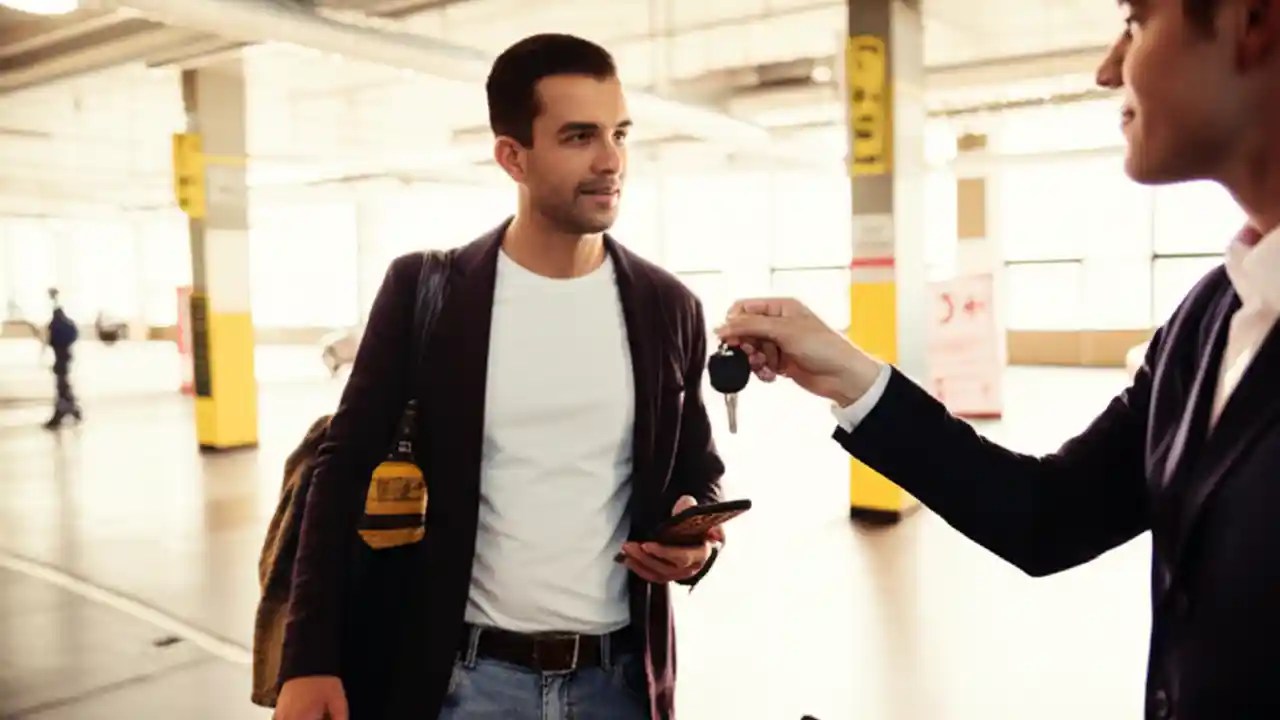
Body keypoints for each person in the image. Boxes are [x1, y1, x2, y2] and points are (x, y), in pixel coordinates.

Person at [717, 0, 1280, 718]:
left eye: (1135, 23)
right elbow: (1049, 515)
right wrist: (850, 374)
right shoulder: (1212, 317)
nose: (1109, 71)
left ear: (1251, 21)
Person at [275, 34, 726, 720]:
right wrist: (308, 661)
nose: (611, 161)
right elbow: (340, 474)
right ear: (512, 156)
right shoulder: (426, 292)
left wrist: (695, 540)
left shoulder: (668, 307)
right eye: (579, 136)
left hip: (620, 684)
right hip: (462, 681)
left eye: (619, 133)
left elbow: (697, 468)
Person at [44, 288, 82, 429]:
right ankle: (73, 410)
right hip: (64, 357)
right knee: (64, 385)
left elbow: (52, 340)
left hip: (61, 358)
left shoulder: (57, 325)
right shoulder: (66, 324)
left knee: (62, 386)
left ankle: (63, 412)